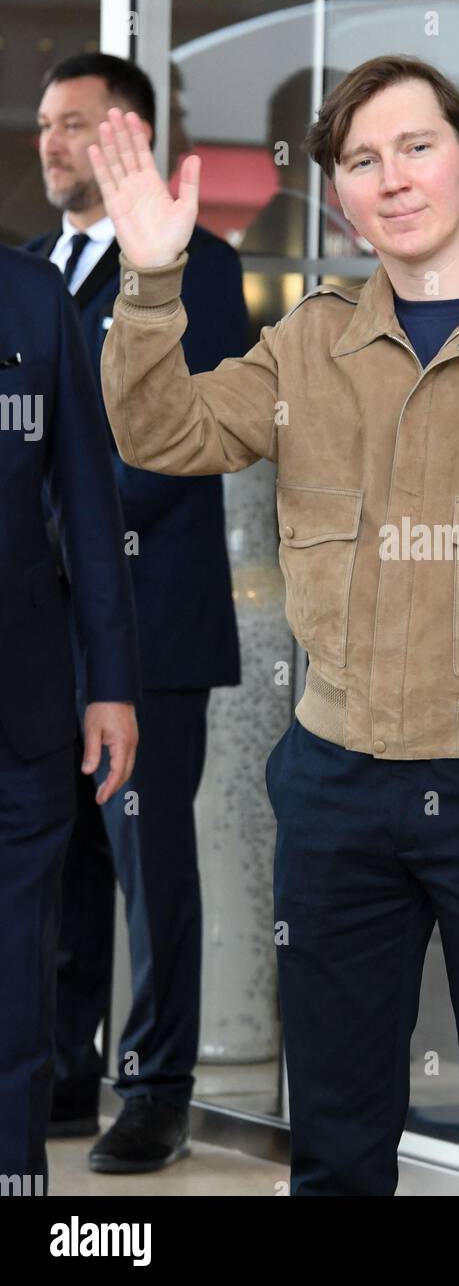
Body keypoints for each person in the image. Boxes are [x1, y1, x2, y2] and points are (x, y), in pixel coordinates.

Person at [95, 54, 459, 1195]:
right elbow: (160, 435)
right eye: (360, 160)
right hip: (333, 787)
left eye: (415, 146)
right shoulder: (305, 347)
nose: (393, 176)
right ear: (338, 195)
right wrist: (152, 279)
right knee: (335, 1141)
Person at [22, 53, 247, 1172]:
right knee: (56, 862)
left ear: (130, 137)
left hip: (150, 623)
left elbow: (174, 444)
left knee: (150, 870)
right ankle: (62, 1070)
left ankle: (156, 1088)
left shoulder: (199, 267)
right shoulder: (24, 271)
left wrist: (48, 534)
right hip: (40, 637)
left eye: (72, 124)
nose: (48, 142)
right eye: (44, 125)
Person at [0, 243, 139, 1190]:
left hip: (27, 710)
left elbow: (88, 499)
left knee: (18, 976)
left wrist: (112, 684)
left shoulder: (32, 293)